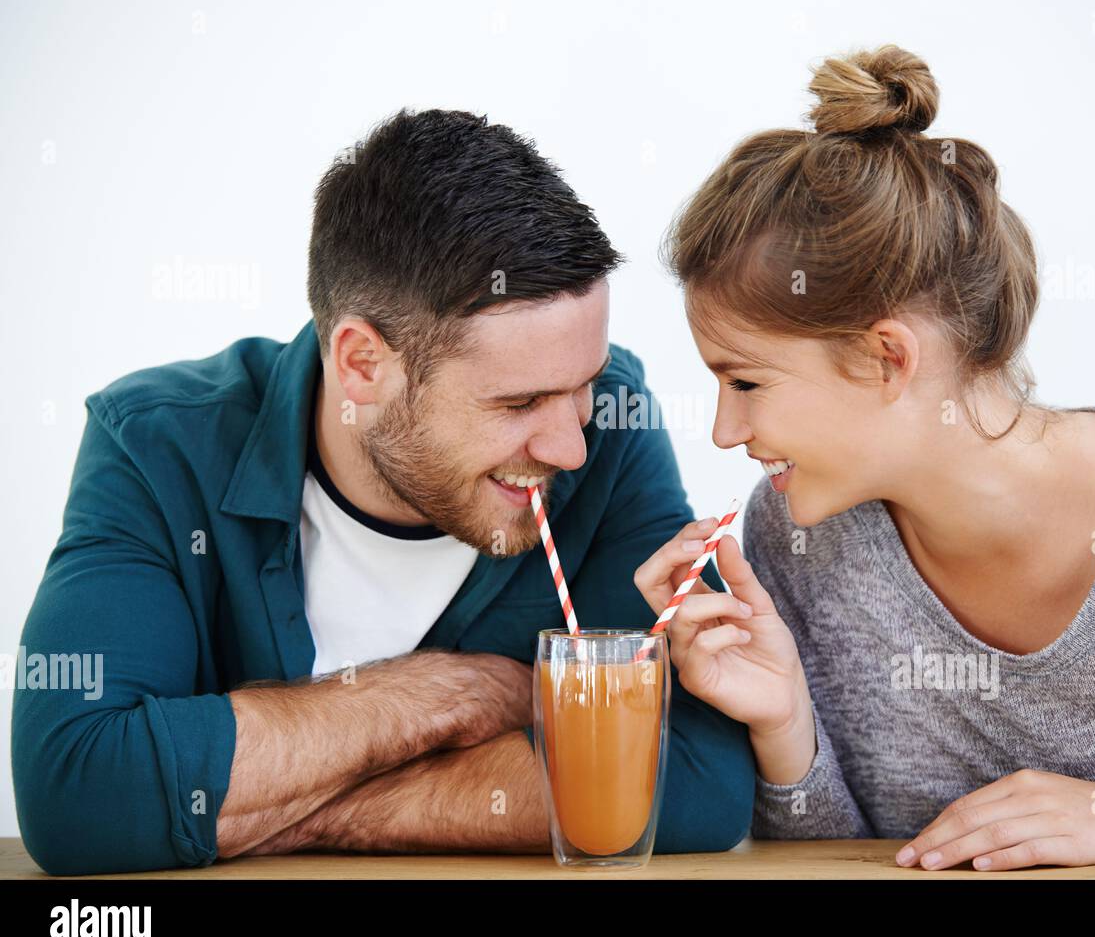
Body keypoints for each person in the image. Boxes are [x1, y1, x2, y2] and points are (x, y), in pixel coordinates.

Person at [12, 108, 754, 876]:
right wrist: (445, 695)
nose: (569, 446)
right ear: (362, 364)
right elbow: (77, 789)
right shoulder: (157, 444)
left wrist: (289, 805)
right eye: (517, 403)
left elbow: (694, 781)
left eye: (582, 389)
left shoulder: (611, 427)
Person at [634, 45, 1095, 871]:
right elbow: (846, 859)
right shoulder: (800, 538)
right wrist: (783, 723)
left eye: (745, 381)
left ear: (888, 358)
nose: (724, 432)